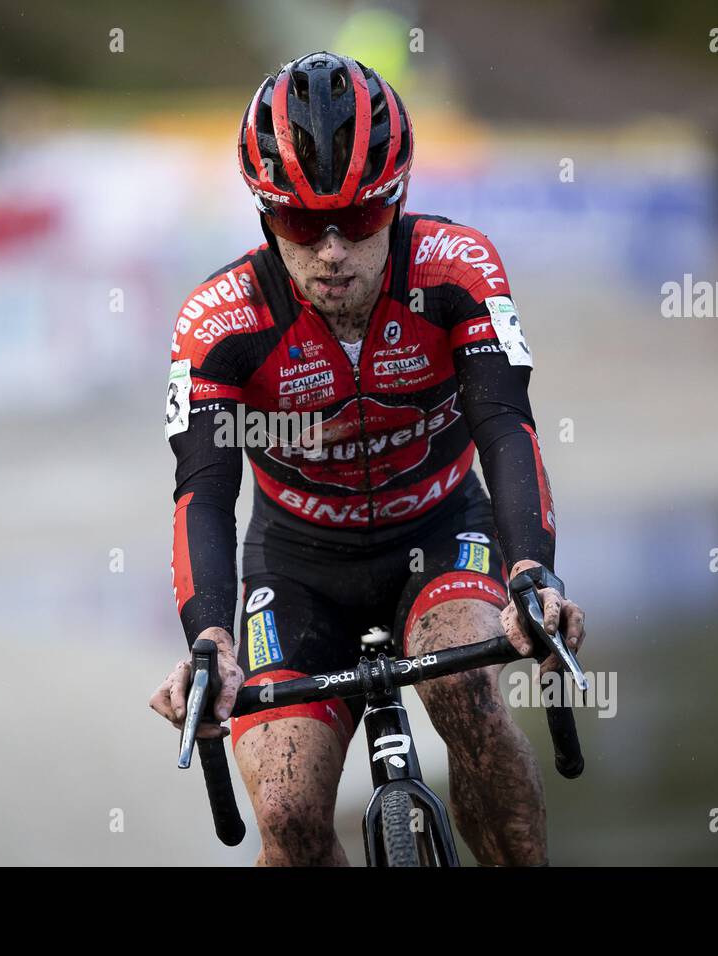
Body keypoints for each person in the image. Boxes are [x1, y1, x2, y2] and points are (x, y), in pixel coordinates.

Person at [150, 51, 586, 866]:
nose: (333, 251)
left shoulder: (458, 269)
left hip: (443, 528)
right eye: (301, 226)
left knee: (466, 694)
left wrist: (533, 572)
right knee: (285, 811)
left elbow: (505, 424)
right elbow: (203, 495)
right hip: (297, 562)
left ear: (398, 198)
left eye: (360, 216)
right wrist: (208, 637)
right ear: (262, 215)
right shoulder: (220, 323)